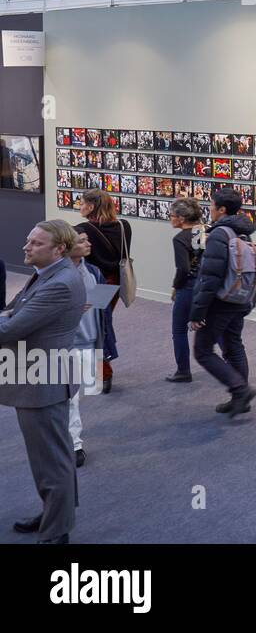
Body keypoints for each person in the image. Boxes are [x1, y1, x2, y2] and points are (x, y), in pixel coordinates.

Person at [2, 220, 86, 544]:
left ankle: (56, 532)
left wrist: (7, 319)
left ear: (59, 249)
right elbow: (14, 313)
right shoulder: (50, 274)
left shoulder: (59, 283)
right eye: (28, 240)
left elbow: (9, 329)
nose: (27, 246)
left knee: (51, 461)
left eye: (36, 243)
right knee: (54, 456)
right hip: (42, 376)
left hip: (42, 381)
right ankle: (55, 514)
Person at [189, 188, 256, 416]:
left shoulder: (219, 235)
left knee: (202, 350)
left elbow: (210, 278)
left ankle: (240, 390)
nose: (209, 211)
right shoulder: (243, 233)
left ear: (221, 209)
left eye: (210, 207)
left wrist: (197, 313)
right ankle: (240, 398)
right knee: (233, 345)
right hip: (240, 299)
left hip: (222, 302)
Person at [75, 189, 131, 393]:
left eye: (81, 203)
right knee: (102, 322)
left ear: (90, 206)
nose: (79, 206)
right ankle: (102, 372)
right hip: (116, 281)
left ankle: (104, 374)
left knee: (97, 327)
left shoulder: (81, 229)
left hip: (97, 283)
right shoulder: (124, 226)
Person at [67, 232, 104, 469]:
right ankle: (74, 445)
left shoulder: (92, 271)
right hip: (66, 343)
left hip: (89, 340)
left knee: (79, 393)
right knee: (69, 397)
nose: (88, 243)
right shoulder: (57, 275)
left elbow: (100, 308)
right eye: (82, 241)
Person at [167, 197, 205, 382]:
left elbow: (183, 269)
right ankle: (232, 363)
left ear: (181, 218)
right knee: (214, 327)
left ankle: (183, 371)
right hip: (208, 286)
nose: (170, 219)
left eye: (171, 215)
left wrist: (176, 287)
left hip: (189, 287)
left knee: (179, 330)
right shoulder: (207, 231)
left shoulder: (180, 238)